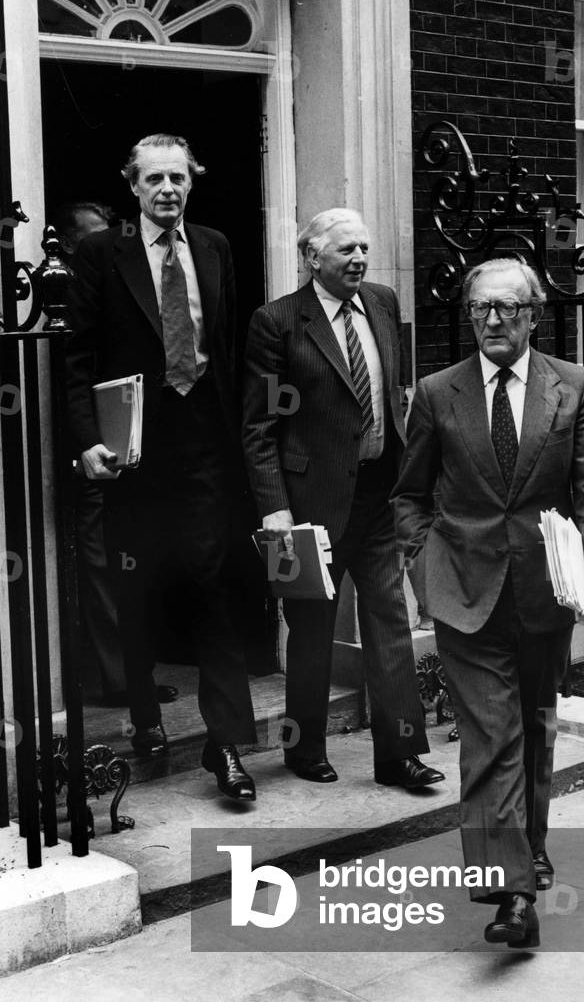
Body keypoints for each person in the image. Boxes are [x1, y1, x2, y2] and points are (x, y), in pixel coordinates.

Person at [392, 257, 584, 947]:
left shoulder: (572, 388)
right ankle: (512, 893)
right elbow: (408, 495)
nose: (491, 321)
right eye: (478, 309)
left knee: (534, 727)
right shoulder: (436, 393)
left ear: (532, 315)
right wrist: (423, 564)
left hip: (545, 595)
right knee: (492, 736)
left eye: (506, 309)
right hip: (464, 593)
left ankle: (528, 846)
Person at [65, 134, 257, 802]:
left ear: (191, 181)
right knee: (138, 588)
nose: (167, 190)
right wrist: (88, 440)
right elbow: (78, 358)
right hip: (134, 453)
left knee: (213, 590)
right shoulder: (100, 254)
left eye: (178, 177)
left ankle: (225, 746)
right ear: (133, 186)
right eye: (154, 180)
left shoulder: (213, 246)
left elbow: (227, 350)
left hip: (204, 445)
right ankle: (145, 714)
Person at [242, 207, 444, 790]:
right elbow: (259, 426)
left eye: (363, 247)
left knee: (390, 620)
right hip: (312, 501)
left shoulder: (382, 301)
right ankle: (304, 748)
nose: (359, 259)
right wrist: (275, 507)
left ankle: (399, 754)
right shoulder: (277, 322)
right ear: (312, 257)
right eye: (346, 250)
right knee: (312, 628)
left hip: (381, 493)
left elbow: (395, 390)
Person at [56, 201, 178, 709]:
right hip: (85, 448)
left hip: (124, 444)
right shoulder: (64, 290)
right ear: (66, 244)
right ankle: (118, 679)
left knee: (131, 560)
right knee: (102, 564)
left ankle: (134, 672)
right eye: (90, 237)